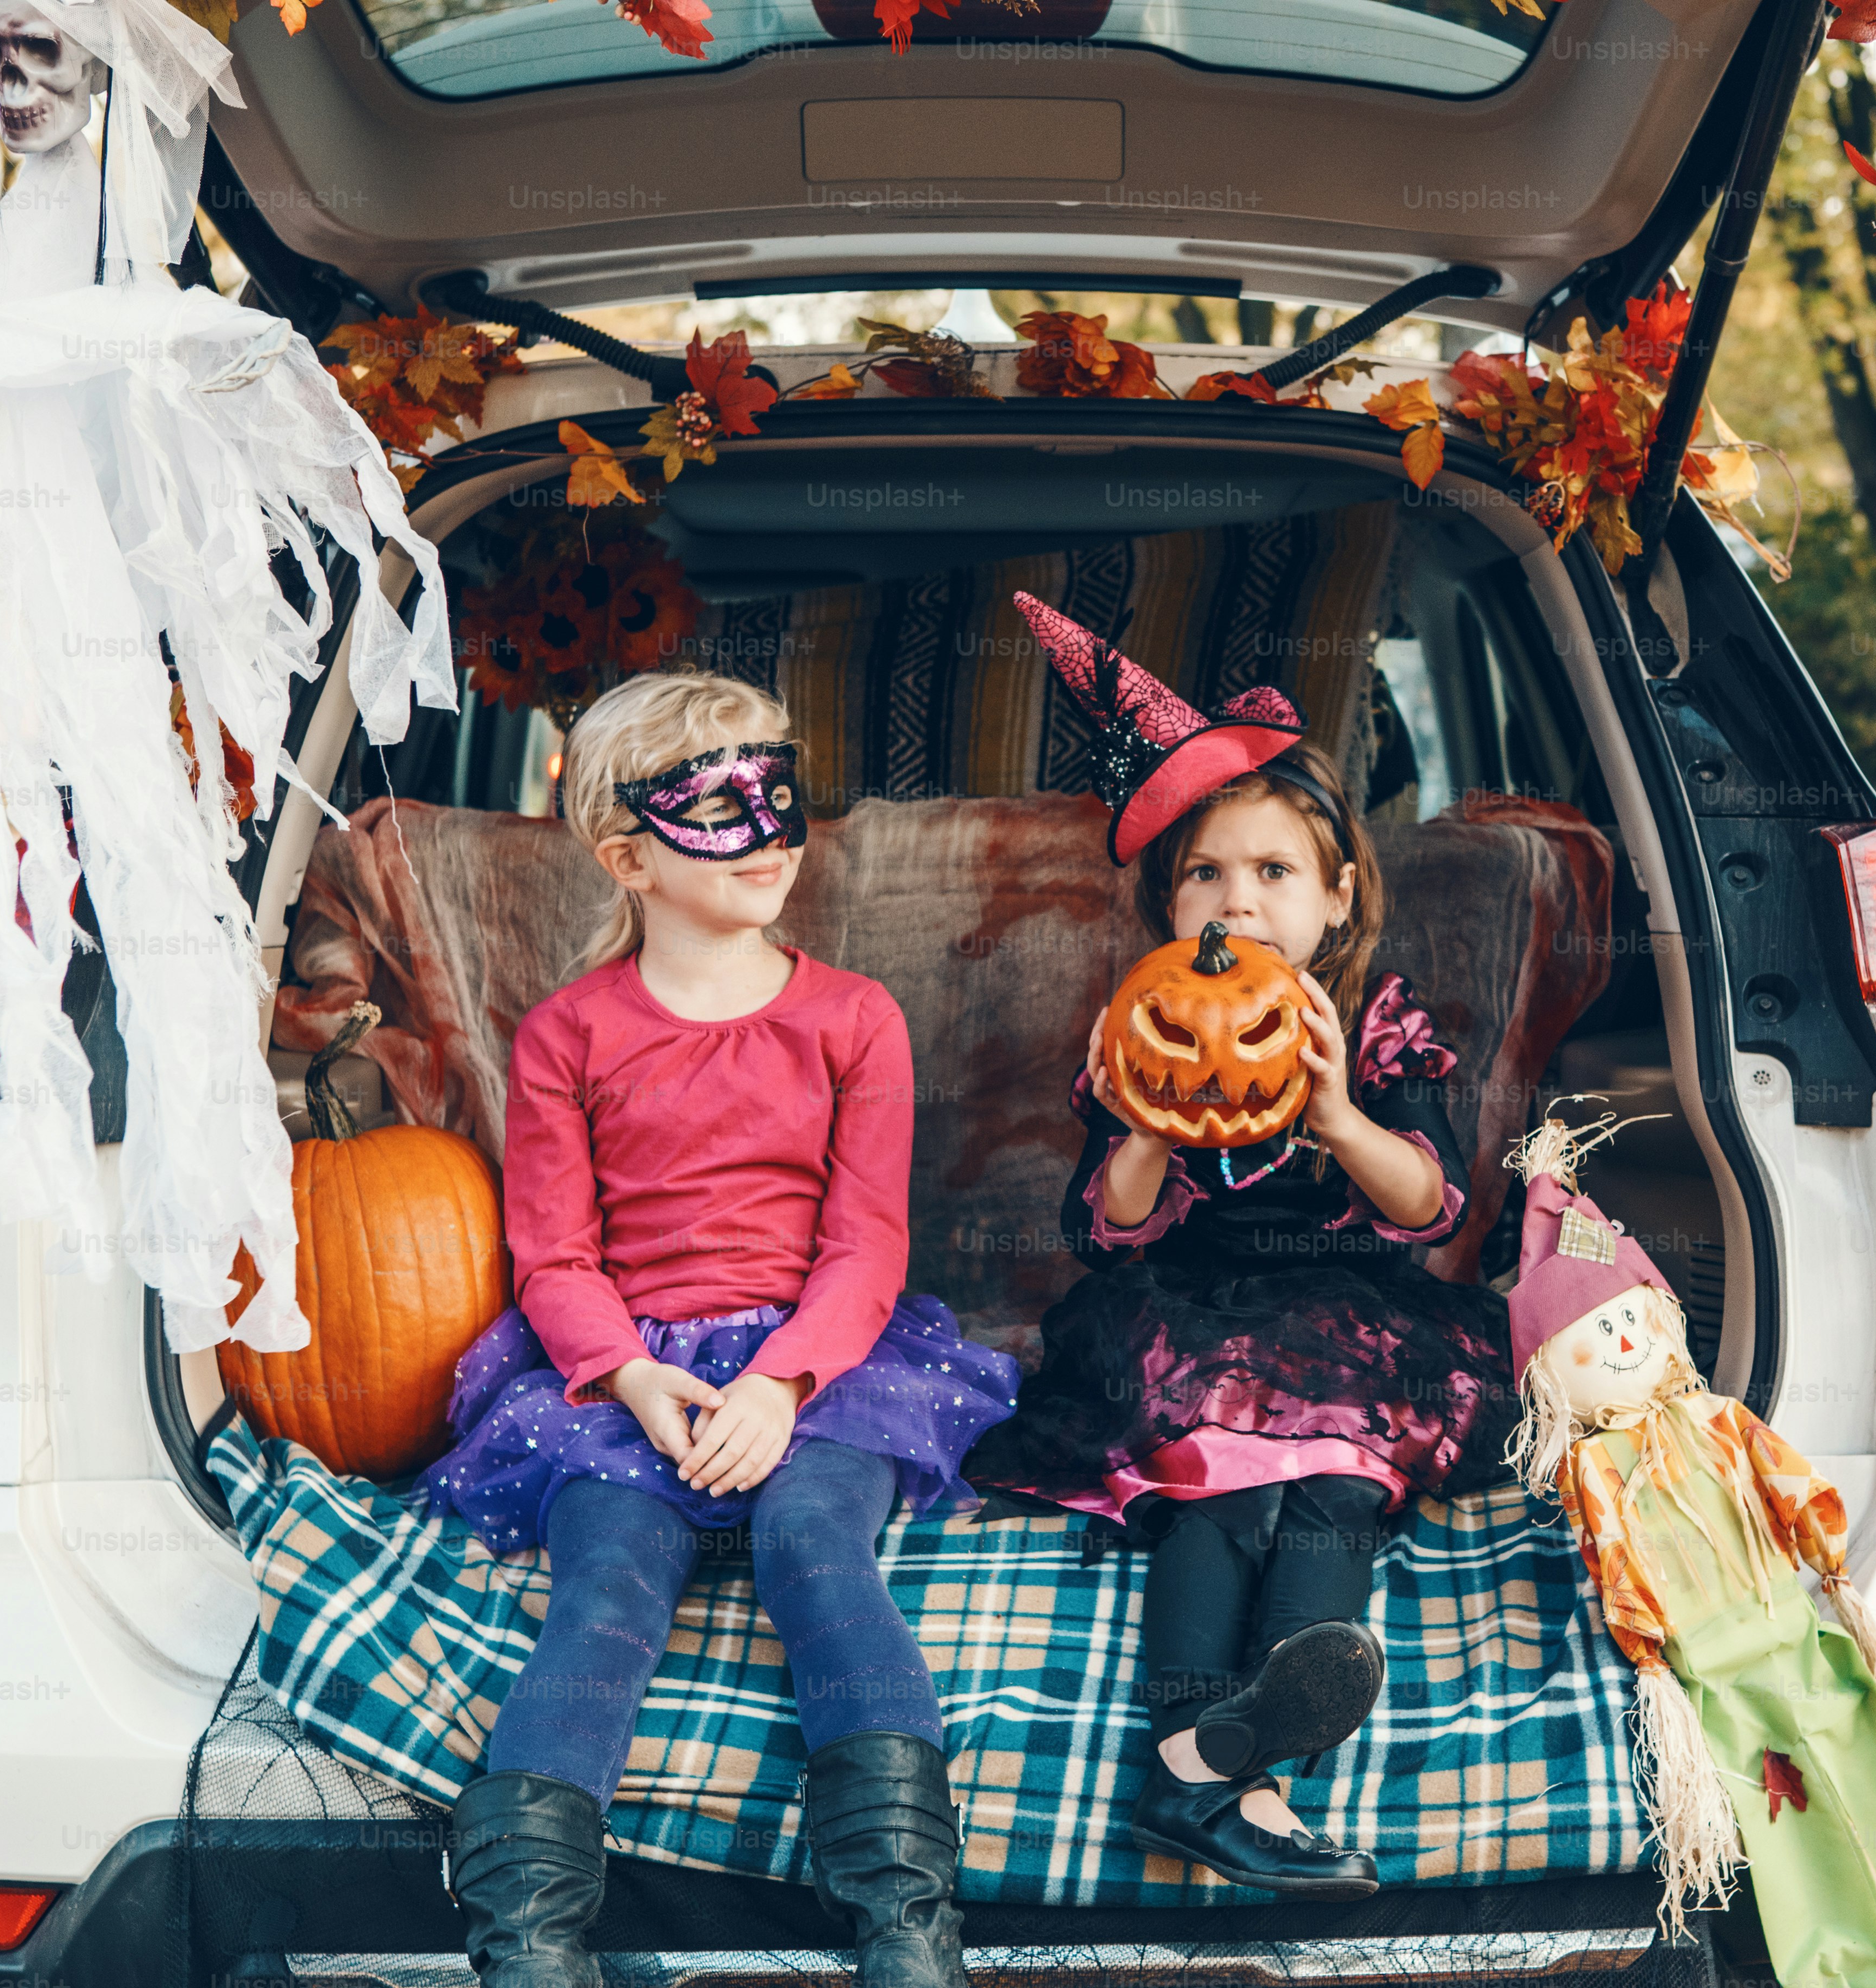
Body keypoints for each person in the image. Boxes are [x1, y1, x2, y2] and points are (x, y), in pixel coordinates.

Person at [417, 672, 1021, 1988]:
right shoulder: (567, 1036)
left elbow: (867, 1243)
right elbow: (554, 1252)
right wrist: (632, 1378)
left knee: (817, 1548)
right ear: (627, 852)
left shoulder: (854, 1018)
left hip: (825, 1368)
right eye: (715, 803)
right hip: (625, 1368)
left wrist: (782, 1386)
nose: (765, 830)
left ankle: (907, 1924)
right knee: (610, 1579)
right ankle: (524, 1934)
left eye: (778, 793)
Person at [964, 595, 1515, 1900]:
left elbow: (1432, 1202)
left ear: (1338, 896)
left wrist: (1335, 1112)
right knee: (1217, 1496)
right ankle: (1218, 1774)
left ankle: (1229, 1764)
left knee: (1333, 1487)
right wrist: (1144, 1122)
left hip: (1353, 1316)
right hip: (1193, 1310)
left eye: (1273, 873)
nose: (1239, 899)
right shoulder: (1147, 1020)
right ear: (1171, 902)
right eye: (1206, 873)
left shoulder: (1378, 1022)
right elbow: (1102, 1226)